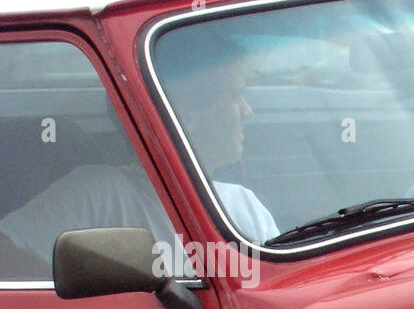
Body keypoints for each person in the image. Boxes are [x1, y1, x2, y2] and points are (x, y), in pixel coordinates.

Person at [0, 28, 277, 280]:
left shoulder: (246, 206)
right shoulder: (100, 192)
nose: (247, 113)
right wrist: (90, 296)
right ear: (187, 116)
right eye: (235, 96)